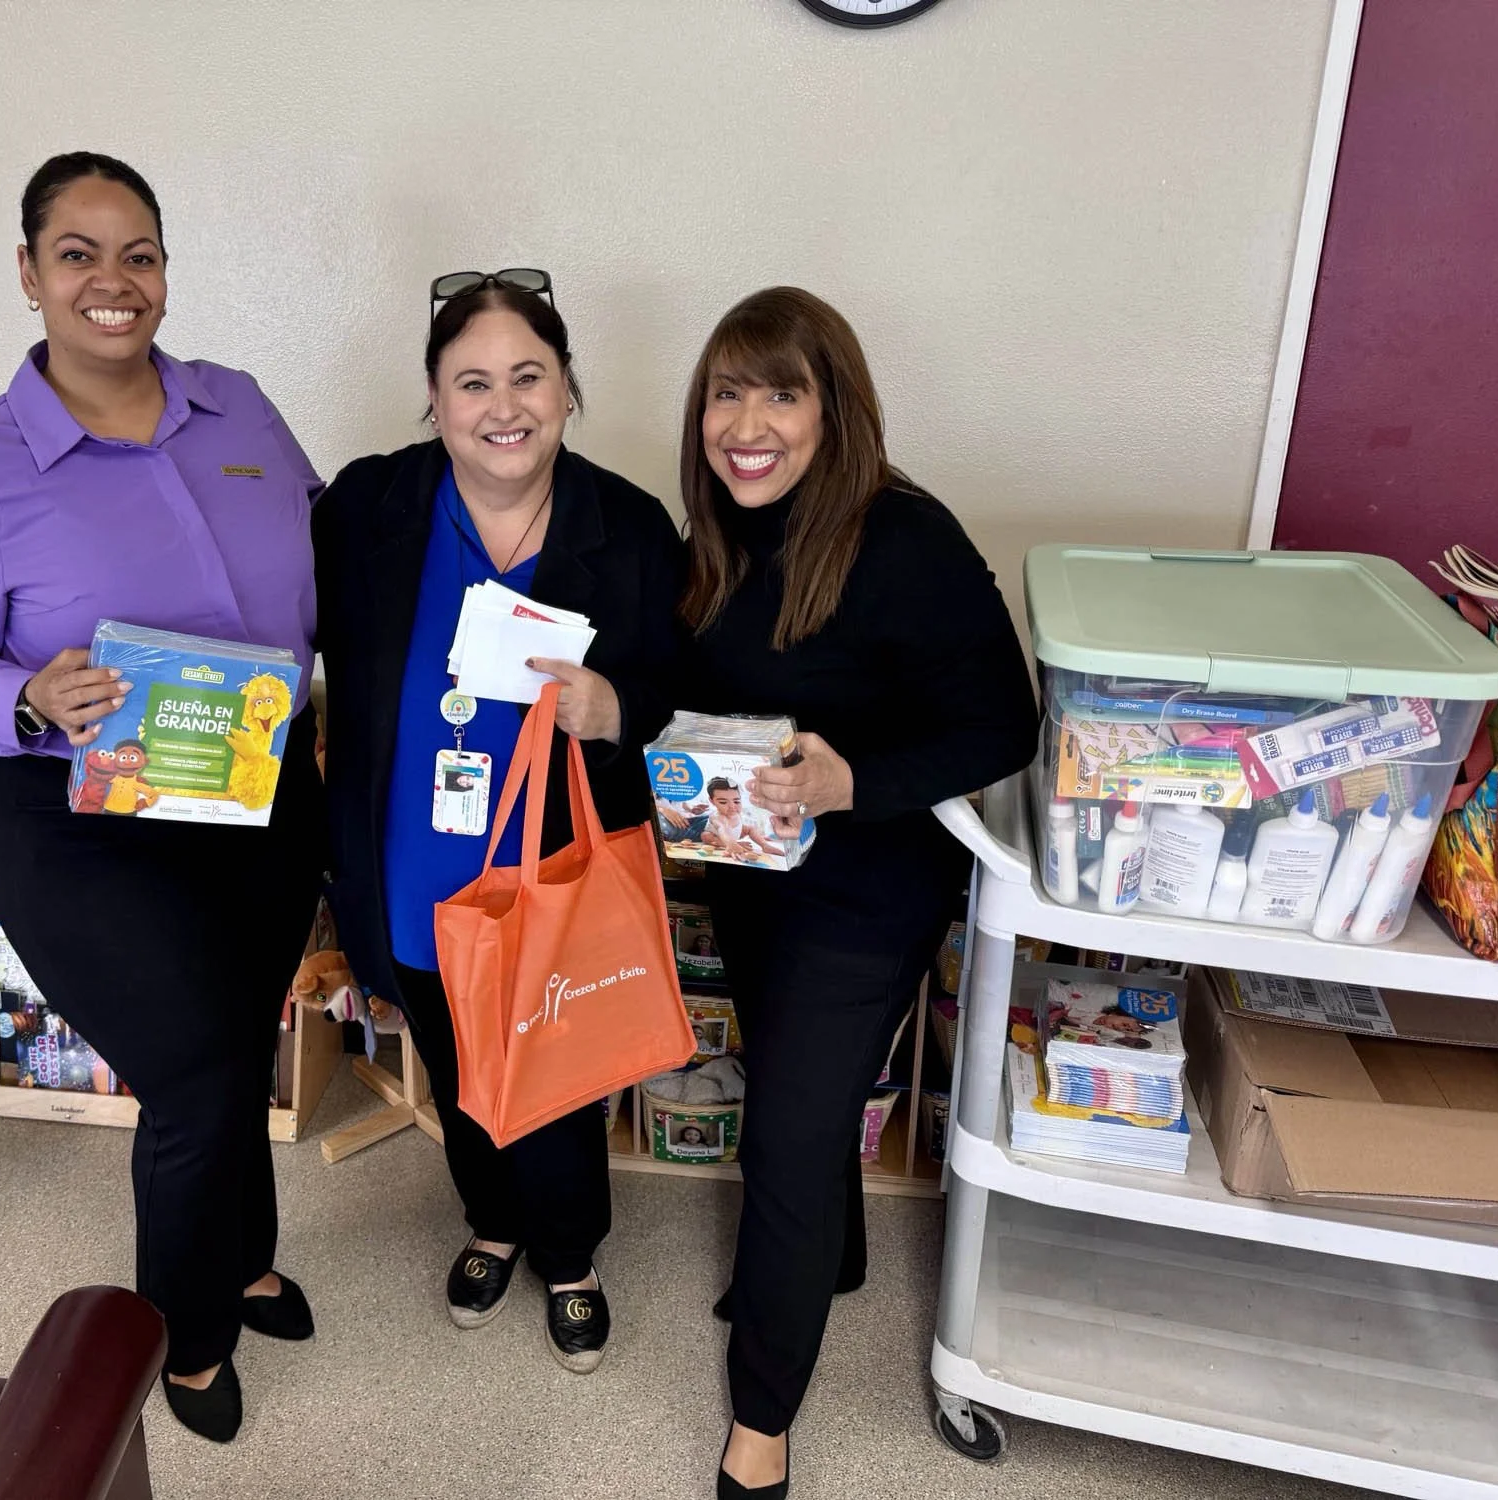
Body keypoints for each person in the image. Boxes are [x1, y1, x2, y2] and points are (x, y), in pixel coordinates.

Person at [0, 152, 324, 1444]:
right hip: (85, 829)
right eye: (76, 254)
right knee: (194, 1071)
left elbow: (320, 547)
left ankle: (243, 1257)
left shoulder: (237, 408)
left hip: (255, 799)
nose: (111, 281)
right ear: (29, 274)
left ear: (165, 272)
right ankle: (187, 1332)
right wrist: (23, 694)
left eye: (138, 254)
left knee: (238, 1037)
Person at [678, 288, 1038, 1498]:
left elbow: (1001, 725)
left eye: (779, 395)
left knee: (783, 1133)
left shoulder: (904, 539)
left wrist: (851, 781)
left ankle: (760, 1420)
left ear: (833, 410)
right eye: (726, 393)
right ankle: (826, 1262)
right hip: (753, 866)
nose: (746, 426)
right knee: (792, 1081)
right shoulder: (717, 534)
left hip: (869, 885)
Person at [315, 271, 683, 1375]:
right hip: (410, 860)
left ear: (568, 389)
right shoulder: (368, 506)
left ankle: (568, 1256)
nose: (503, 405)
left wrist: (614, 709)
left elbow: (676, 680)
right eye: (471, 382)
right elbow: (276, 610)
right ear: (433, 398)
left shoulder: (629, 525)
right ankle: (493, 1221)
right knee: (453, 1060)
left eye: (528, 375)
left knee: (556, 1074)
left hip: (551, 866)